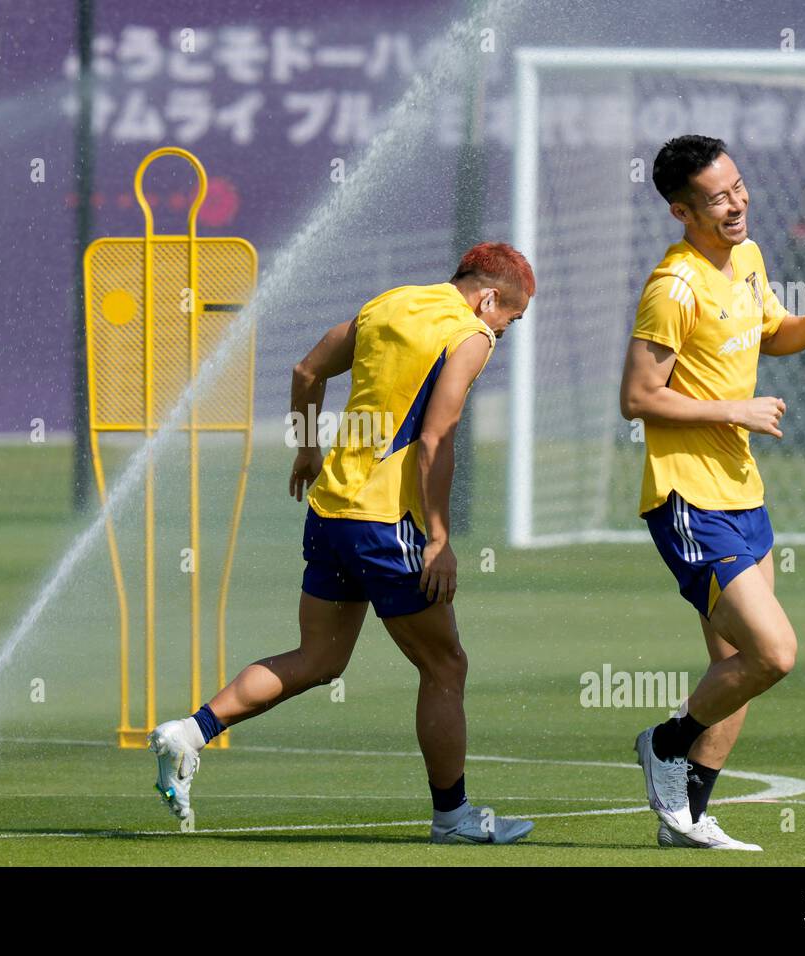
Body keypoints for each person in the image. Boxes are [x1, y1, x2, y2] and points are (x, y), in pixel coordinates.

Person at [149, 242, 537, 845]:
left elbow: (306, 371)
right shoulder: (469, 336)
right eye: (509, 320)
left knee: (320, 659)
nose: (503, 332)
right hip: (388, 524)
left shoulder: (390, 303)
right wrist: (438, 538)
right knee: (444, 665)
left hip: (331, 510)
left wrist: (306, 448)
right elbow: (435, 442)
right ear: (488, 298)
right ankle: (454, 820)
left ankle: (191, 731)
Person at [620, 135, 805, 850]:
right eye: (717, 198)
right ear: (681, 210)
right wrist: (734, 410)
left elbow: (771, 335)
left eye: (739, 187)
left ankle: (687, 817)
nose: (736, 204)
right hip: (688, 500)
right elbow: (638, 398)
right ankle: (665, 745)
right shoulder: (672, 287)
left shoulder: (751, 256)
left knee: (734, 667)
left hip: (741, 489)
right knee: (773, 654)